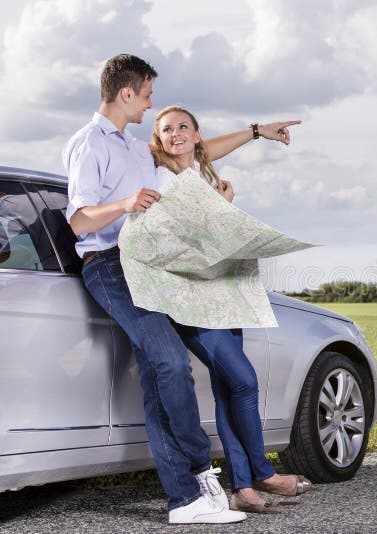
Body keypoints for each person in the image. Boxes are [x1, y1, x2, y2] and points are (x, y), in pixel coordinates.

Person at [62, 54, 299, 524]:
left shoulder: (134, 149)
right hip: (109, 263)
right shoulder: (90, 144)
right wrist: (126, 203)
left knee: (160, 373)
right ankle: (199, 474)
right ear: (127, 92)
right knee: (170, 363)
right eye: (148, 94)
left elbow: (199, 147)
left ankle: (187, 497)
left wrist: (255, 133)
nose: (151, 105)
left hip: (149, 265)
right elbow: (78, 220)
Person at [149, 105, 311, 513]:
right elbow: (183, 238)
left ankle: (243, 487)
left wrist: (258, 131)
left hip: (219, 292)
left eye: (183, 126)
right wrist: (221, 207)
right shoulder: (161, 176)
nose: (176, 134)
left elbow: (211, 150)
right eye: (167, 129)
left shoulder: (200, 169)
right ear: (158, 138)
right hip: (190, 299)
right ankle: (261, 471)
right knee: (244, 381)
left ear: (197, 134)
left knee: (227, 389)